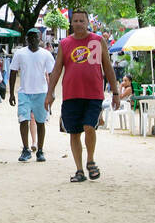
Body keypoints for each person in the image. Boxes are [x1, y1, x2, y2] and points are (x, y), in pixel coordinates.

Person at [46, 9, 121, 181]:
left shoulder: (98, 40)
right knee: (74, 132)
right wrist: (49, 93)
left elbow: (108, 67)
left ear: (88, 23)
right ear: (71, 23)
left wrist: (115, 92)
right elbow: (57, 70)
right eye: (76, 21)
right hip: (71, 94)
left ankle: (91, 160)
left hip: (94, 93)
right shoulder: (65, 43)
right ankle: (79, 170)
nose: (79, 23)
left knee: (89, 126)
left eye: (82, 20)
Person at [9, 29, 56, 162]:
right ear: (27, 39)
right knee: (23, 120)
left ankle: (40, 150)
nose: (33, 40)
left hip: (41, 92)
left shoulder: (46, 54)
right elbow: (13, 72)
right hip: (24, 92)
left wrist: (51, 93)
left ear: (40, 38)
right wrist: (11, 93)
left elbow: (52, 74)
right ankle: (25, 149)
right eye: (30, 37)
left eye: (35, 37)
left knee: (41, 122)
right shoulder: (20, 53)